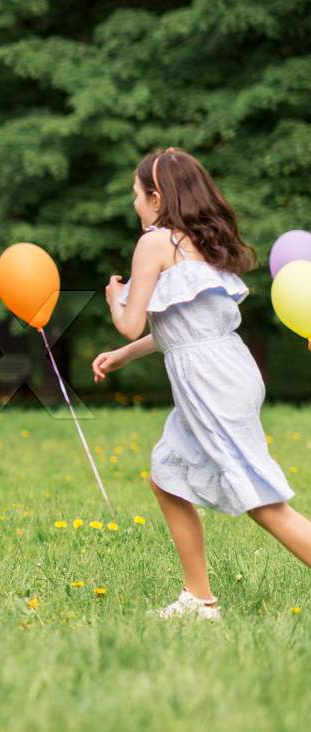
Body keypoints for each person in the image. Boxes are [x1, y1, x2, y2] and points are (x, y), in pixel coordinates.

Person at [94, 147, 308, 619]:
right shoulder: (199, 242)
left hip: (209, 380)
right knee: (168, 478)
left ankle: (201, 598)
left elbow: (130, 321)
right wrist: (124, 356)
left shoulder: (155, 242)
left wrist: (114, 299)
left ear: (156, 196)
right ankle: (199, 598)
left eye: (136, 194)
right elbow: (181, 329)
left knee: (260, 498)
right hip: (226, 369)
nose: (134, 204)